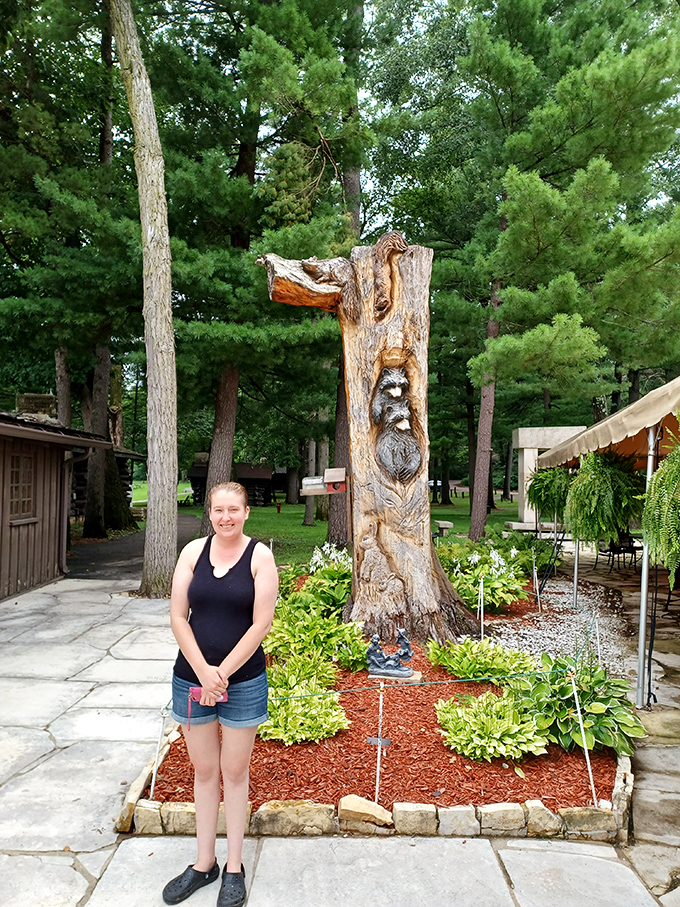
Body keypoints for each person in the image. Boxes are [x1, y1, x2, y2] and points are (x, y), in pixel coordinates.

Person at [162, 482, 278, 907]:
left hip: (242, 681)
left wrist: (221, 676)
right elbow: (178, 617)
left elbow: (260, 625)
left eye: (234, 509)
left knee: (235, 773)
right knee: (205, 772)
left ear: (247, 512)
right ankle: (203, 863)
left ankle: (233, 867)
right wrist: (202, 674)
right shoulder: (191, 553)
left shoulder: (260, 557)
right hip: (190, 678)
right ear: (209, 513)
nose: (225, 517)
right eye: (218, 510)